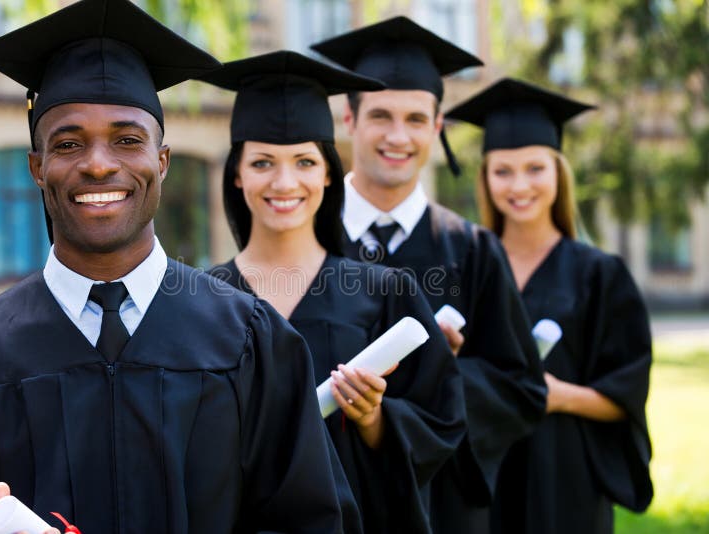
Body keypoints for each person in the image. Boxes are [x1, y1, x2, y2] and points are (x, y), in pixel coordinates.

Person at [0, 1, 352, 532]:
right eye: (69, 143)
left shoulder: (250, 340)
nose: (98, 163)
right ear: (37, 167)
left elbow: (309, 519)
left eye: (127, 140)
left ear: (161, 161)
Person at [201, 50, 467, 533]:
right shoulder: (202, 302)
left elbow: (443, 421)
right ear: (237, 174)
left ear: (327, 171)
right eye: (262, 162)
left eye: (304, 161)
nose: (285, 182)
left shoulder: (387, 291)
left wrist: (374, 419)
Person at [311, 17, 548, 532]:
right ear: (348, 120)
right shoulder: (304, 240)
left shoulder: (473, 250)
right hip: (329, 499)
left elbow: (522, 389)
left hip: (444, 508)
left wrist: (439, 373)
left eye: (416, 119)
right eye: (381, 116)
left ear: (437, 127)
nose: (399, 136)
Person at [446, 77, 654, 533]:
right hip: (482, 471)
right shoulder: (464, 266)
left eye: (535, 168)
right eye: (503, 171)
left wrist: (558, 397)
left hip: (565, 474)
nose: (519, 185)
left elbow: (627, 392)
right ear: (485, 177)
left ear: (558, 172)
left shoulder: (599, 273)